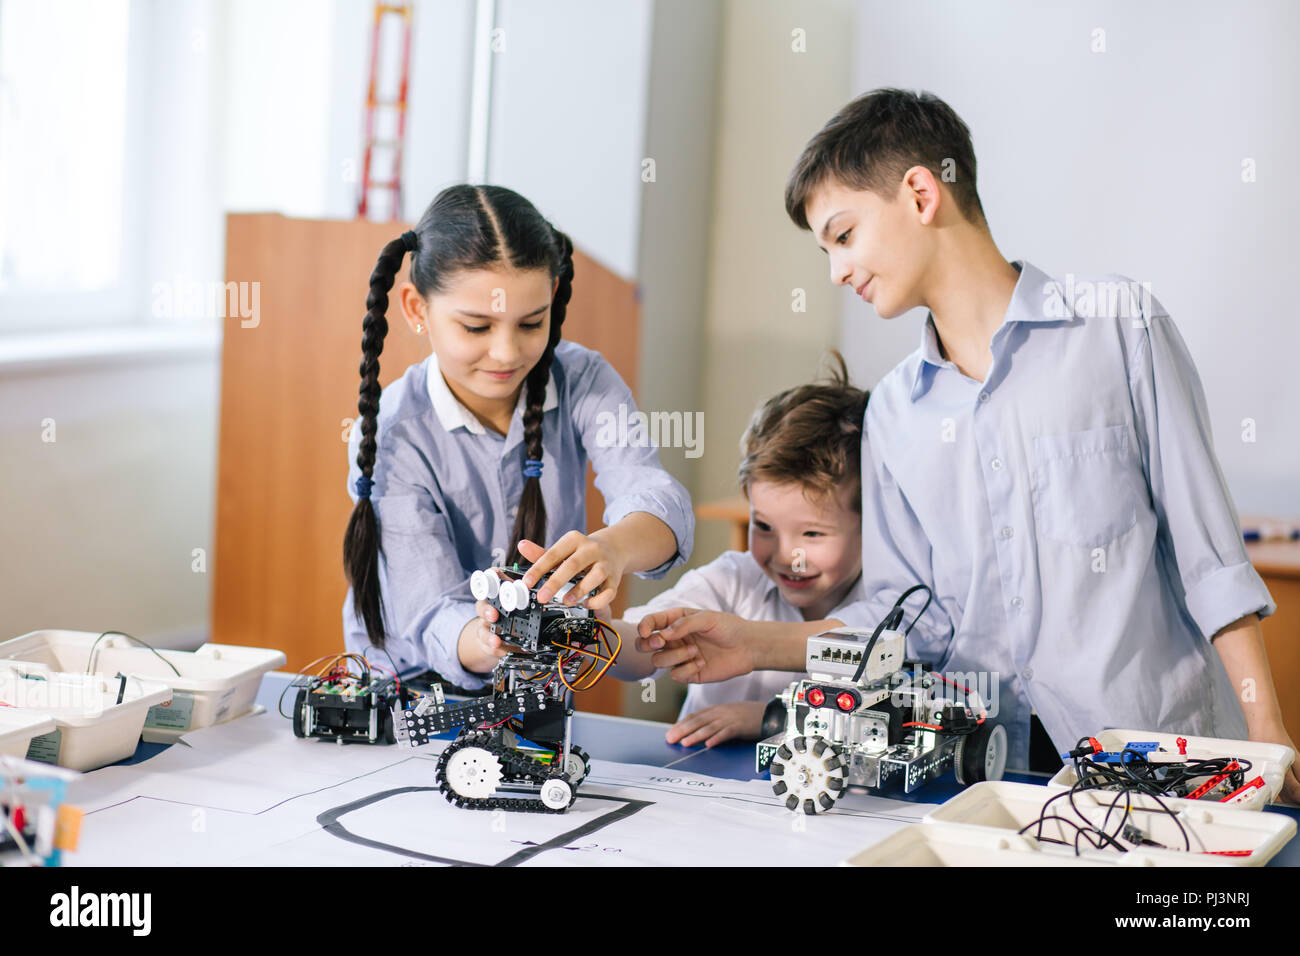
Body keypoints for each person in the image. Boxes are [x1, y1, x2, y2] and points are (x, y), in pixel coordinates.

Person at [635, 88, 1300, 802]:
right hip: (989, 776)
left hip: (1162, 761)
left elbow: (1211, 559)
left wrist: (1268, 735)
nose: (835, 271)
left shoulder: (1118, 325)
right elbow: (903, 627)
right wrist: (755, 643)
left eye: (844, 235)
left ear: (920, 193)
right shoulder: (893, 412)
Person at [341, 184, 693, 689]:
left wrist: (613, 548)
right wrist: (494, 641)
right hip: (410, 688)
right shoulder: (395, 431)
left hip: (529, 685)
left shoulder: (585, 380)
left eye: (531, 323)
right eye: (476, 327)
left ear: (552, 296)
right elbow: (428, 615)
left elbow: (655, 499)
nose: (507, 353)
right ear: (417, 309)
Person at [606, 354, 868, 747]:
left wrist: (771, 719)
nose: (786, 557)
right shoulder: (731, 580)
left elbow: (890, 717)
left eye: (812, 534)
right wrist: (590, 638)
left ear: (875, 525)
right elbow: (642, 646)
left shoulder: (890, 606)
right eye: (763, 527)